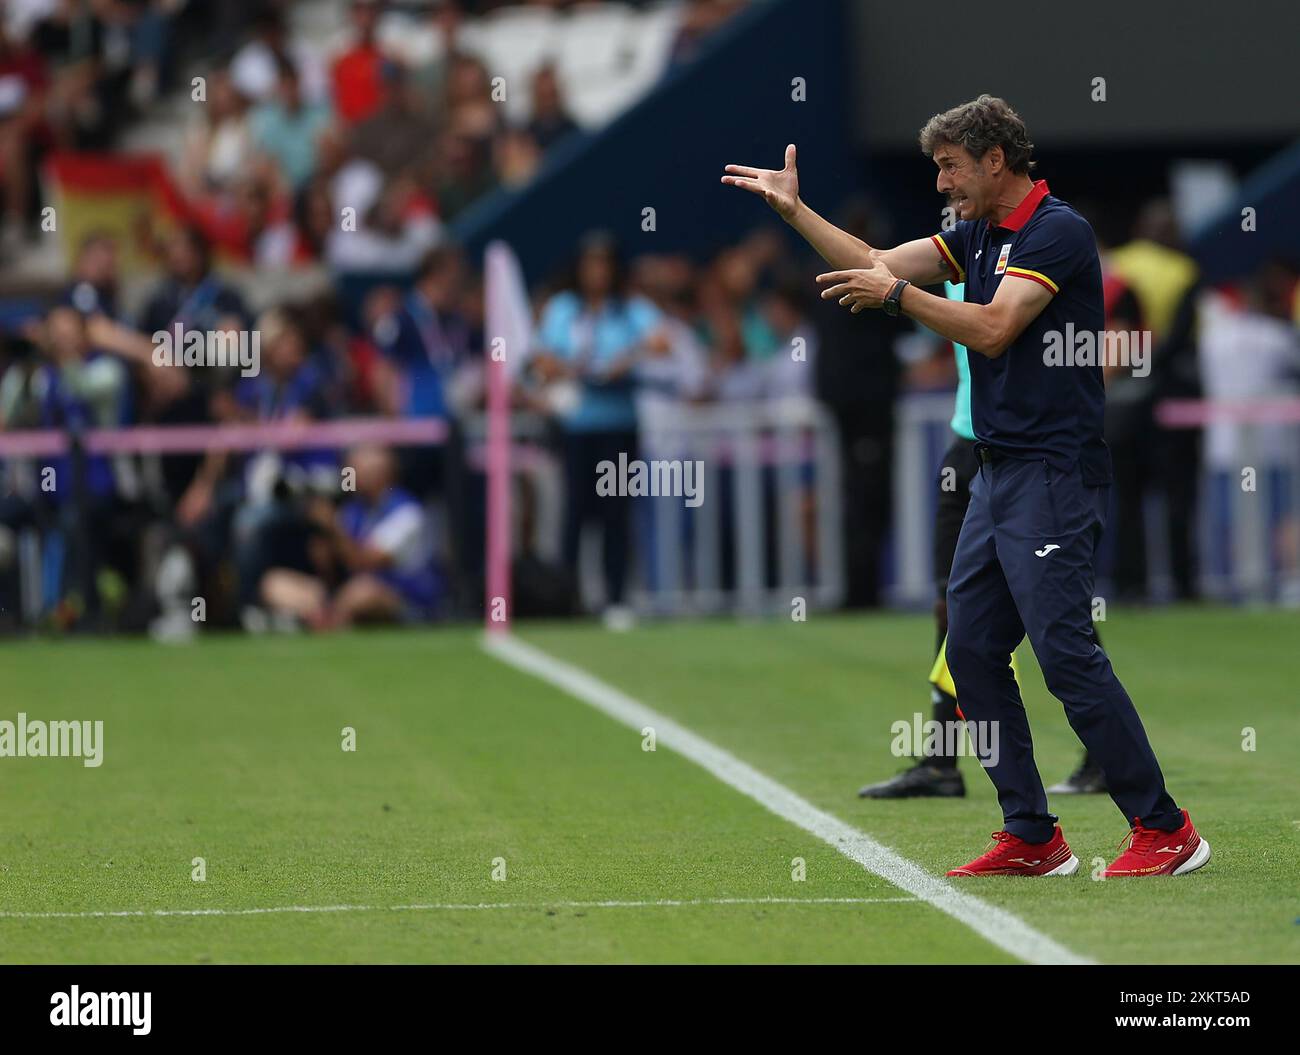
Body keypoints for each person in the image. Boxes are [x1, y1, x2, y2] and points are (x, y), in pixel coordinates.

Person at [722, 94, 1209, 878]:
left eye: (950, 166)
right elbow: (876, 263)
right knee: (973, 653)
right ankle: (1033, 834)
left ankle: (1165, 828)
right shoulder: (977, 232)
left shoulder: (1056, 231)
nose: (943, 182)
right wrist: (796, 212)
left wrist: (898, 299)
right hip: (996, 471)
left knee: (1064, 654)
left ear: (994, 160)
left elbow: (990, 326)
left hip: (1054, 475)